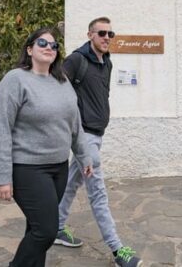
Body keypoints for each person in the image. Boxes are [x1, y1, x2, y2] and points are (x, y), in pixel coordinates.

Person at [0, 28, 94, 267]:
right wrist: (2, 177)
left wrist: (84, 156)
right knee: (46, 231)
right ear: (29, 49)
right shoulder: (15, 80)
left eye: (54, 45)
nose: (49, 48)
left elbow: (74, 123)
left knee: (35, 227)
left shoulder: (62, 81)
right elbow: (0, 128)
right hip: (28, 169)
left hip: (58, 168)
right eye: (42, 43)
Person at [54, 17, 142, 267]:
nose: (106, 37)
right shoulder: (76, 60)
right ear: (90, 34)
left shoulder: (107, 62)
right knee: (98, 193)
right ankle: (118, 251)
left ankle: (57, 228)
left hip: (97, 133)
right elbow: (58, 92)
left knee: (71, 183)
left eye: (110, 33)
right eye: (101, 33)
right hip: (84, 138)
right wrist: (73, 131)